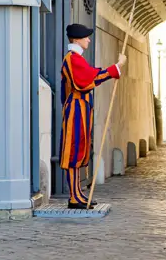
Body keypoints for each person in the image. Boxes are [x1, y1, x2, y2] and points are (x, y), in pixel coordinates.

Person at [60, 24, 126, 209]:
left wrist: (114, 69)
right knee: (73, 152)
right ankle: (74, 196)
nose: (89, 40)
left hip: (81, 108)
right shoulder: (73, 59)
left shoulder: (77, 59)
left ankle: (77, 193)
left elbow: (92, 74)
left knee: (80, 151)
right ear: (77, 39)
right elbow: (88, 80)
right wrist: (117, 67)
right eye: (86, 37)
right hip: (75, 109)